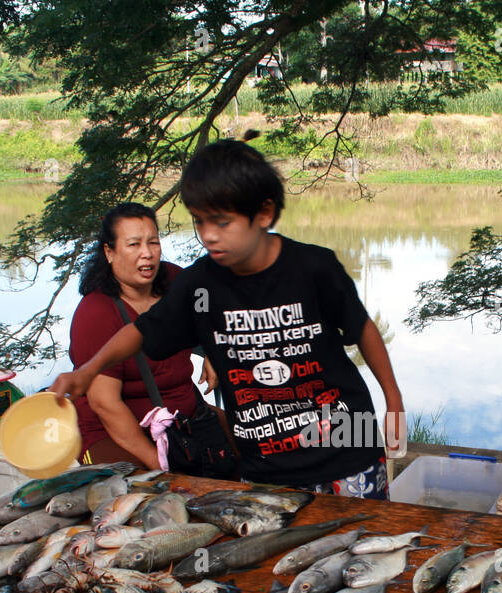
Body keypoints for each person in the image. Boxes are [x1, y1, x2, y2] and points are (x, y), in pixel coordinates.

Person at [50, 138, 405, 498]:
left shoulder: (314, 268)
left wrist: (393, 400)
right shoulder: (198, 283)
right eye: (199, 222)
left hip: (348, 453)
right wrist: (88, 370)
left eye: (221, 222)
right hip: (267, 467)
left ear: (263, 213)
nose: (208, 236)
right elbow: (141, 331)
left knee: (366, 547)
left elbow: (362, 328)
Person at [70, 203, 216, 468]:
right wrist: (162, 466)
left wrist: (209, 350)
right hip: (117, 433)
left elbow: (210, 313)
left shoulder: (174, 279)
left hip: (185, 419)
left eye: (153, 242)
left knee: (257, 450)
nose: (147, 254)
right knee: (158, 495)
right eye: (134, 245)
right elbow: (105, 405)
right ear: (109, 252)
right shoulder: (95, 313)